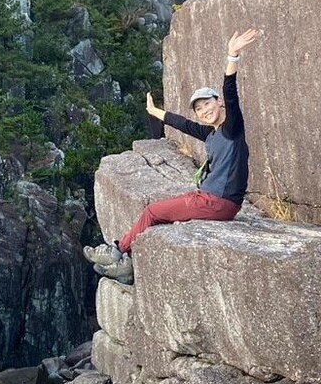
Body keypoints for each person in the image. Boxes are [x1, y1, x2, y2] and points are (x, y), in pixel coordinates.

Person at [84, 27, 261, 285]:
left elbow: (231, 93)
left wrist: (232, 56)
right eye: (199, 109)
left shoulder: (231, 129)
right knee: (159, 214)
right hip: (212, 199)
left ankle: (118, 252)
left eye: (207, 103)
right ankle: (127, 264)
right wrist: (155, 111)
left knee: (153, 211)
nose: (204, 110)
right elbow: (183, 124)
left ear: (219, 102)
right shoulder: (211, 134)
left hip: (218, 202)